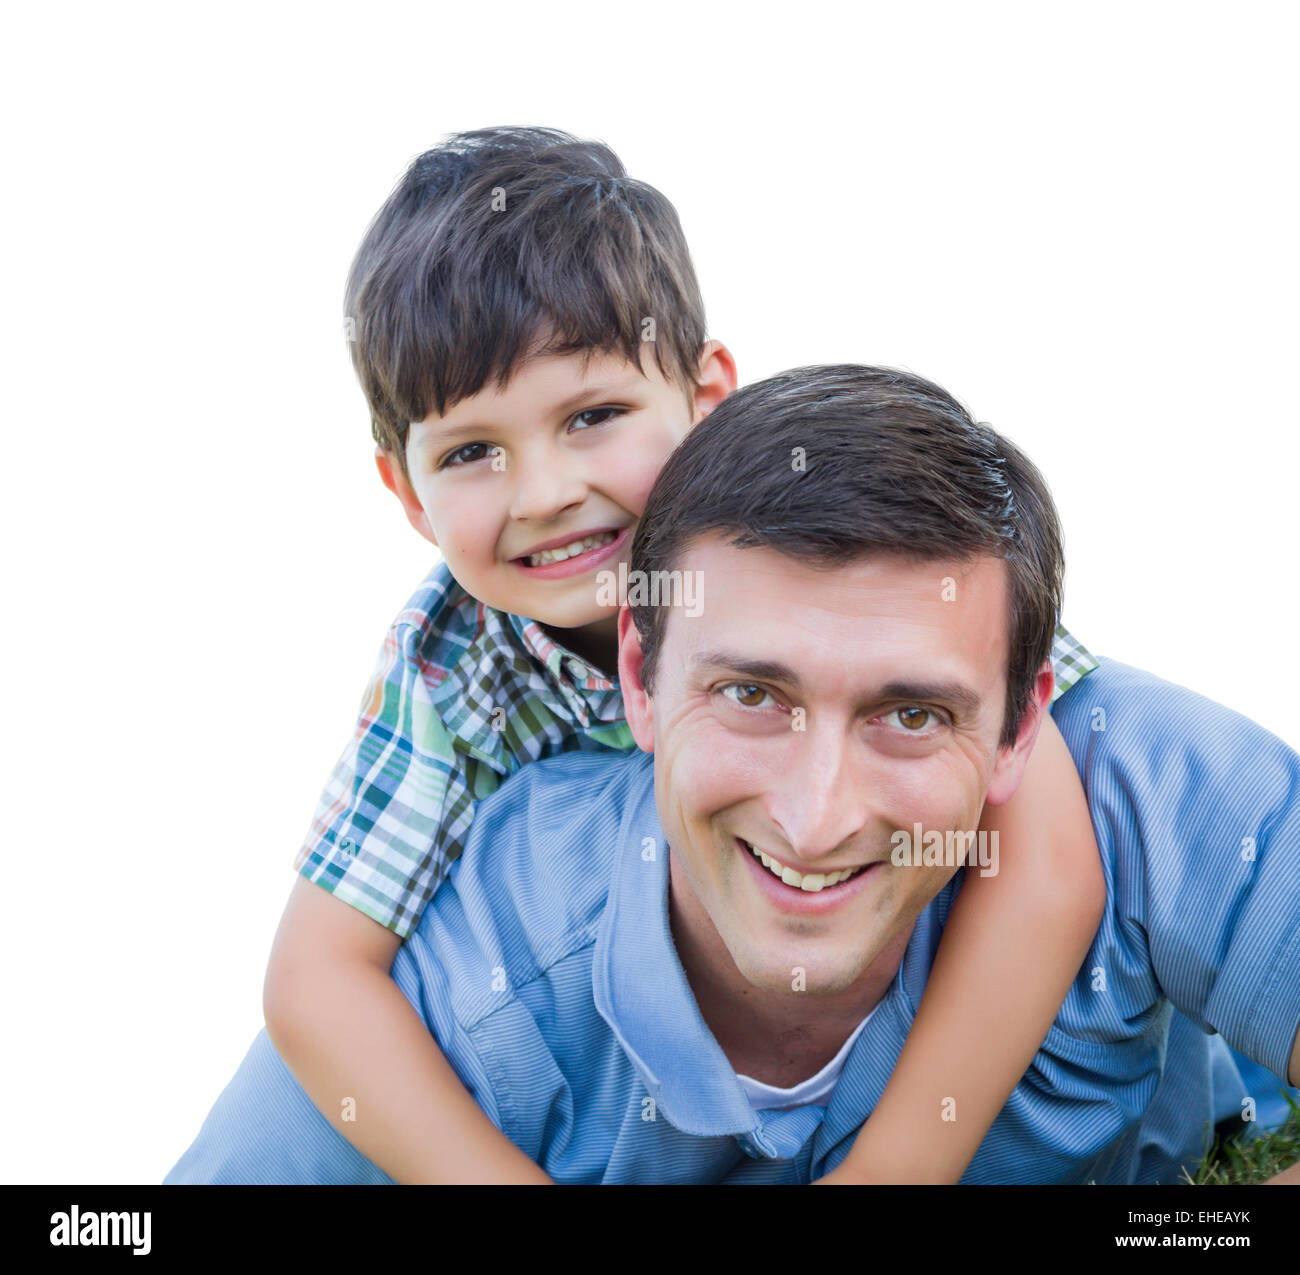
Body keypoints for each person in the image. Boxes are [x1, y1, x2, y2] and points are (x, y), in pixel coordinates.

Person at [168, 364, 1300, 1185]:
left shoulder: (1143, 787)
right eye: (754, 695)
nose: (815, 819)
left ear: (1019, 726)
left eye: (910, 713)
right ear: (638, 680)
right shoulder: (486, 972)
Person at [257, 127, 1108, 1186]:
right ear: (405, 492)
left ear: (705, 397)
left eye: (594, 416)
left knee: (1141, 761)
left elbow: (1046, 864)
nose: (543, 493)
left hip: (892, 1016)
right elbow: (317, 976)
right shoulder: (447, 668)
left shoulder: (845, 535)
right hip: (638, 1068)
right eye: (473, 452)